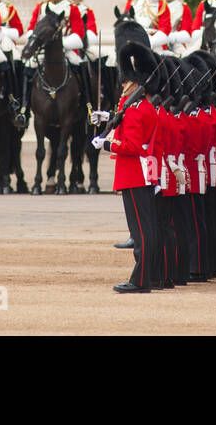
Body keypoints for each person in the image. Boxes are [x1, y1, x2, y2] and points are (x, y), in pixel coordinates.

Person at [94, 41, 161, 293]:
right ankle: (149, 275)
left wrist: (107, 145)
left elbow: (132, 145)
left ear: (134, 83)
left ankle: (140, 279)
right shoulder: (142, 106)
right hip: (141, 173)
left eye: (125, 81)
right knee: (147, 230)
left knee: (141, 232)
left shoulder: (135, 110)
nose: (121, 84)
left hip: (134, 174)